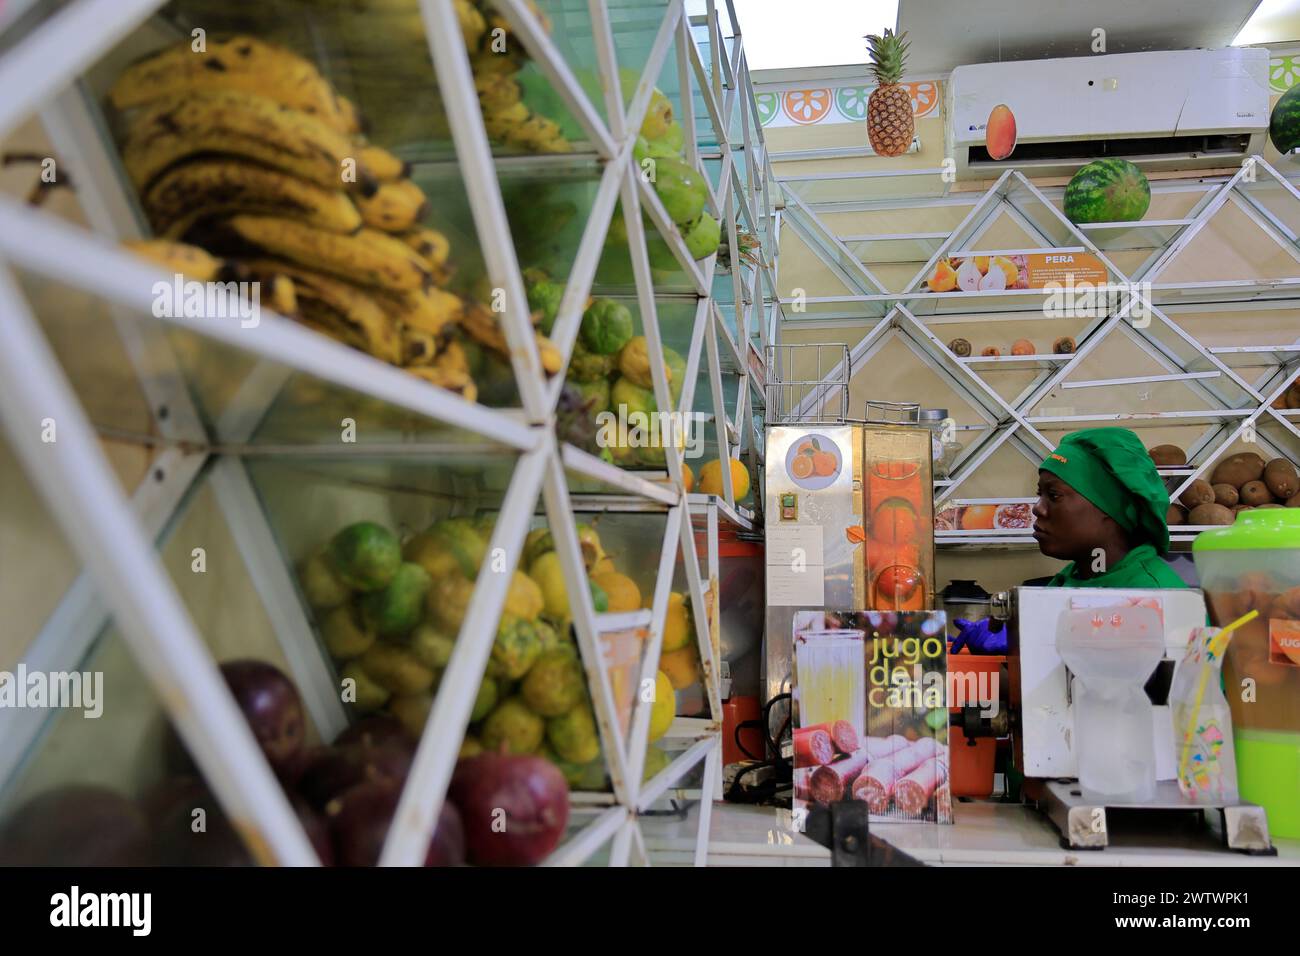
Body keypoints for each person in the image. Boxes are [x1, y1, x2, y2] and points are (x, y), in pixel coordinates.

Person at [951, 427, 1186, 653]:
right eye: (1039, 495)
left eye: (1054, 496)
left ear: (1110, 509)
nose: (1037, 509)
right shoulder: (1071, 580)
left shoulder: (1156, 600)